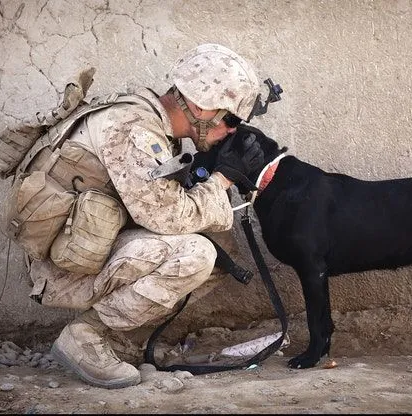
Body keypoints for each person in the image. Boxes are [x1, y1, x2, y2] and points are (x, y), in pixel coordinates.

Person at [27, 43, 268, 389]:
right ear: (199, 106)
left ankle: (114, 336)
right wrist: (222, 179)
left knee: (221, 252)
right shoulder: (134, 130)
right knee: (198, 255)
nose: (231, 130)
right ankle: (86, 336)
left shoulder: (148, 120)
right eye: (229, 120)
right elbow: (168, 217)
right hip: (62, 269)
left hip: (83, 247)